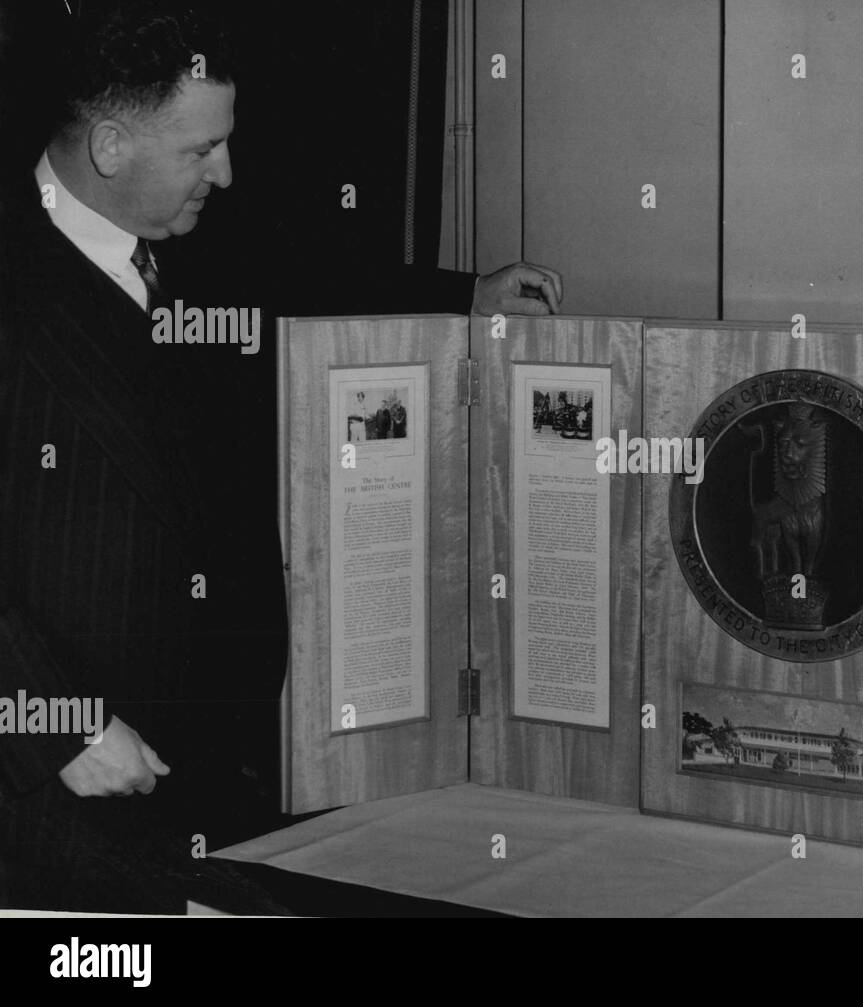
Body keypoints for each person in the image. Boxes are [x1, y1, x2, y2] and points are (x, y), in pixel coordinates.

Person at [0, 0, 562, 913]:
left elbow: (308, 271)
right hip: (65, 785)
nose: (226, 170)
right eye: (200, 150)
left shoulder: (188, 235)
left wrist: (468, 293)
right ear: (109, 147)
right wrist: (52, 720)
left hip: (222, 769)